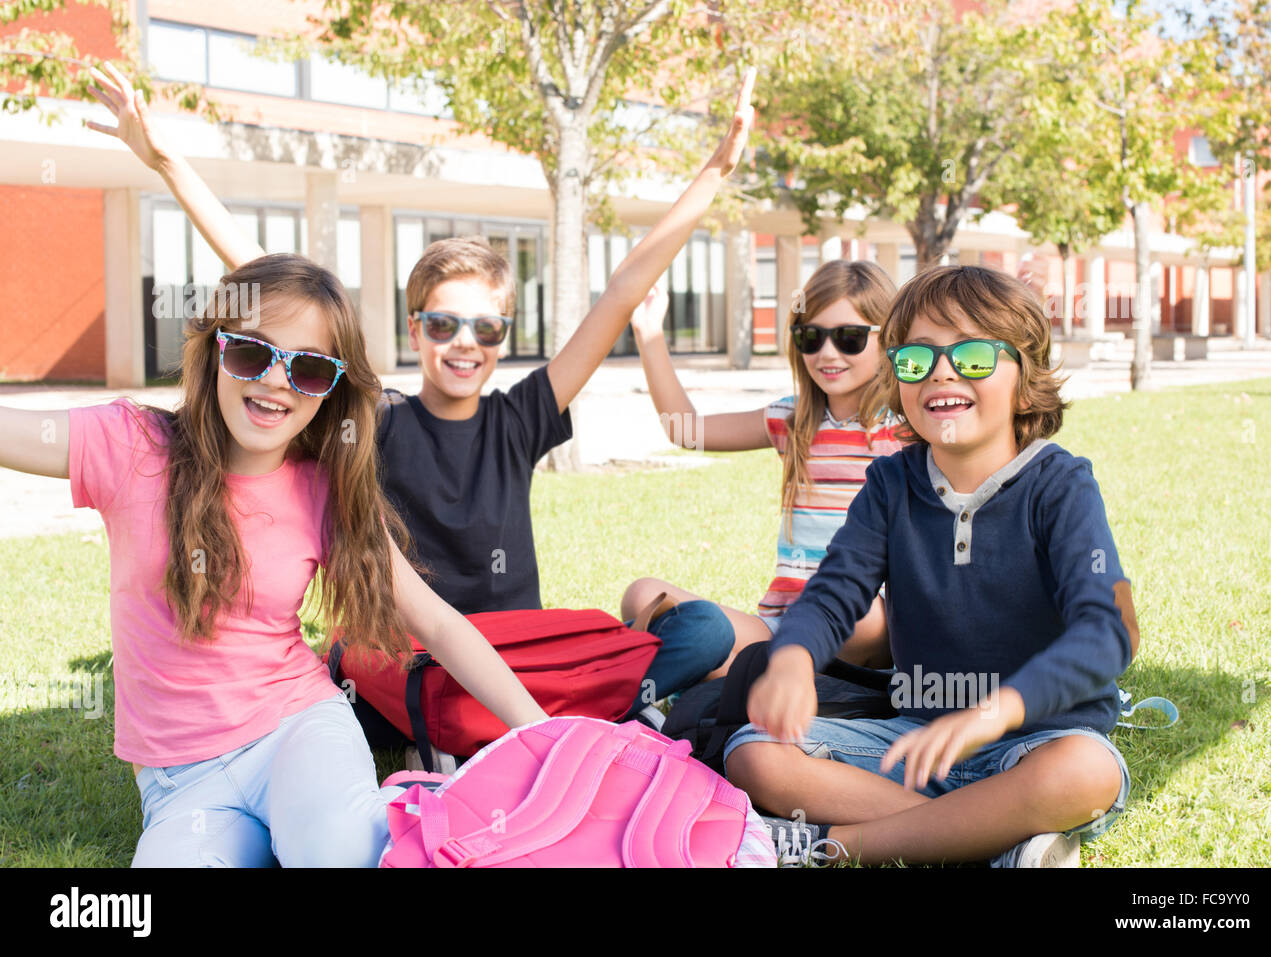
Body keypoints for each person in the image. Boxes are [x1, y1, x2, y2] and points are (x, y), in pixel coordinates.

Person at [85, 63, 758, 707]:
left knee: (707, 630)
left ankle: (515, 718)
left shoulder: (521, 416)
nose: (464, 341)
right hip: (410, 660)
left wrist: (714, 172)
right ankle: (536, 717)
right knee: (342, 675)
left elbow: (619, 294)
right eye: (443, 323)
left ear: (502, 338)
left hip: (510, 660)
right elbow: (260, 270)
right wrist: (167, 162)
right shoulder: (377, 415)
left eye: (486, 328)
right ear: (415, 330)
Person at [0, 254, 547, 866]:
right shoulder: (130, 446)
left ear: (331, 386)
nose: (275, 382)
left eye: (309, 368)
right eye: (251, 354)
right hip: (182, 782)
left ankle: (389, 809)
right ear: (215, 350)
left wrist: (544, 734)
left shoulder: (326, 491)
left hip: (298, 732)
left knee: (337, 855)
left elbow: (439, 623)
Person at [727, 265, 1140, 867]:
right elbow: (836, 592)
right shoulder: (891, 484)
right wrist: (791, 660)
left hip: (1040, 740)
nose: (942, 371)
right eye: (917, 360)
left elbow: (1109, 632)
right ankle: (993, 834)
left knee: (1086, 772)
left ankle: (836, 845)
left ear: (1026, 382)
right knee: (753, 753)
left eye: (972, 356)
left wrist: (993, 713)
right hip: (917, 740)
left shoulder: (1060, 484)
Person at [620, 259, 902, 680]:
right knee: (644, 597)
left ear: (889, 341)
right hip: (779, 627)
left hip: (858, 627)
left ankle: (735, 674)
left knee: (863, 617)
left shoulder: (906, 426)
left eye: (849, 338)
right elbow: (686, 430)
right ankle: (753, 674)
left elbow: (1003, 419)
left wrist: (1040, 329)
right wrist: (649, 334)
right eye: (811, 337)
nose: (827, 353)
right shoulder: (791, 421)